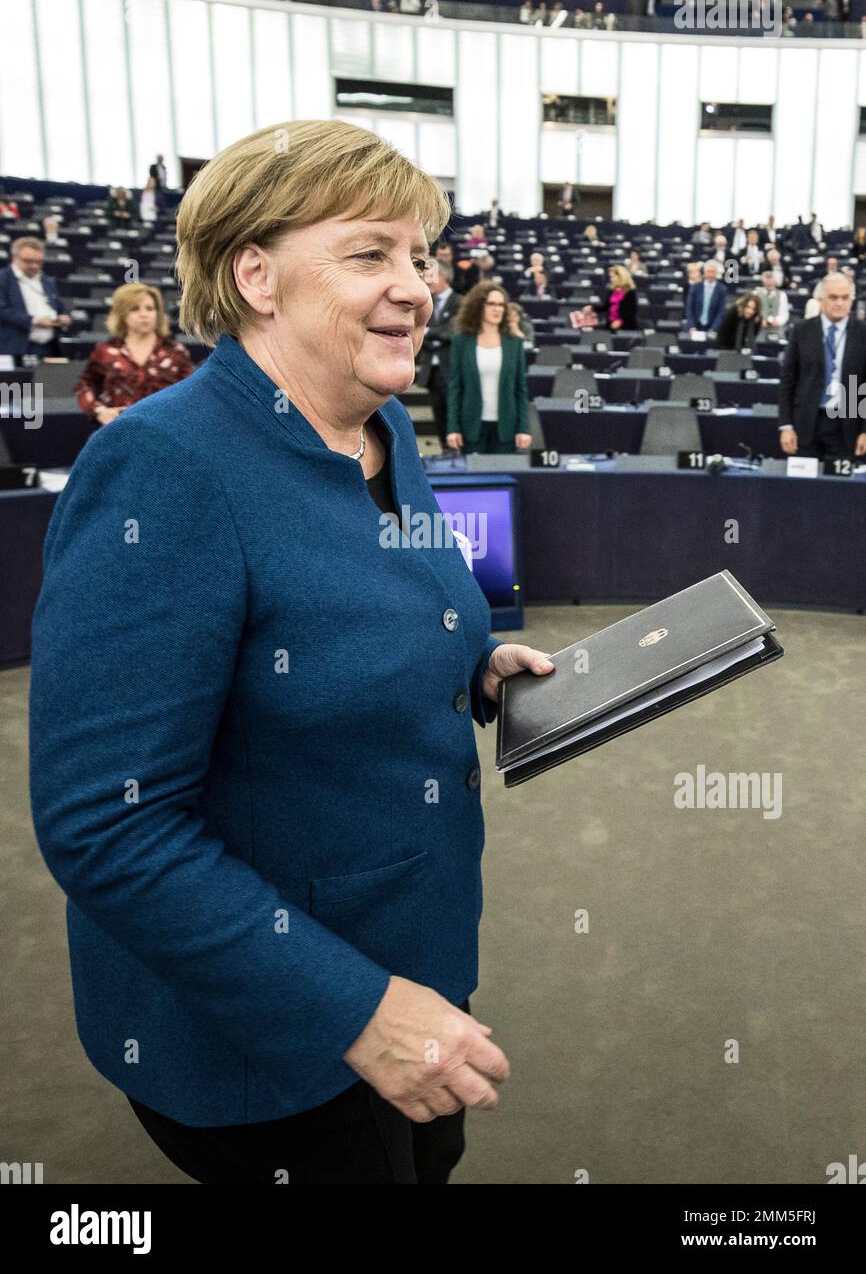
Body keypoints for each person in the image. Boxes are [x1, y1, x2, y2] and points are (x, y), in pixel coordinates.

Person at [29, 118, 555, 1187]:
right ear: (255, 276)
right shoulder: (161, 467)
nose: (415, 283)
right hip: (271, 1036)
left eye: (418, 254)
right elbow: (106, 823)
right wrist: (352, 1011)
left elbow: (360, 617)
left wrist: (469, 666)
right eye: (370, 252)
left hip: (418, 962)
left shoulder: (380, 424)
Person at [778, 272, 866, 462]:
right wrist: (786, 426)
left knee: (840, 489)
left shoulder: (863, 334)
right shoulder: (801, 331)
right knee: (804, 488)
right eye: (833, 297)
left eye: (845, 298)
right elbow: (787, 382)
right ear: (821, 299)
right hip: (806, 422)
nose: (840, 303)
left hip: (848, 424)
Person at [74, 283, 192, 423]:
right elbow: (84, 386)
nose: (144, 314)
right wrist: (99, 411)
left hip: (165, 431)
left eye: (150, 309)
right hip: (120, 431)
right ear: (122, 314)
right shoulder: (105, 352)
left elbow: (190, 394)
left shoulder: (176, 352)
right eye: (135, 309)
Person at [446, 280, 531, 455]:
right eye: (491, 304)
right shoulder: (461, 341)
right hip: (471, 427)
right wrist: (452, 427)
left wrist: (524, 428)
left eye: (501, 304)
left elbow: (520, 390)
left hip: (506, 427)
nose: (497, 309)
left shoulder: (514, 342)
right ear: (478, 306)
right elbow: (455, 388)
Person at [0, 236, 70, 365]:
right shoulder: (3, 279)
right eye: (28, 261)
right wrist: (33, 321)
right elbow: (2, 311)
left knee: (52, 384)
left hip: (49, 348)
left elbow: (58, 307)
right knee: (18, 385)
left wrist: (62, 318)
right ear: (14, 258)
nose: (34, 266)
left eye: (39, 262)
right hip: (16, 348)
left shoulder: (48, 281)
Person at [415, 261, 461, 450]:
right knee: (439, 413)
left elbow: (453, 331)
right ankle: (445, 451)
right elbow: (419, 332)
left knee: (454, 413)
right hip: (431, 369)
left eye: (431, 276)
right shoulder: (427, 303)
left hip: (451, 367)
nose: (428, 280)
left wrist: (429, 333)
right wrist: (433, 334)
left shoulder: (460, 302)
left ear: (443, 276)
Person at [685, 262, 728, 334]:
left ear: (716, 273)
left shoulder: (722, 289)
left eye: (713, 272)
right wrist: (692, 326)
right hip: (695, 326)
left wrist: (713, 329)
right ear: (704, 273)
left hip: (712, 327)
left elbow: (721, 312)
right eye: (708, 272)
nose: (710, 274)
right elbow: (689, 308)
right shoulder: (695, 287)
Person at [604, 265, 638, 330]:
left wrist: (620, 321)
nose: (611, 279)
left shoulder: (630, 292)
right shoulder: (612, 290)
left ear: (621, 277)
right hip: (610, 324)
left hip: (626, 327)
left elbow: (632, 312)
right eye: (610, 277)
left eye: (613, 277)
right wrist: (592, 308)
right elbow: (605, 306)